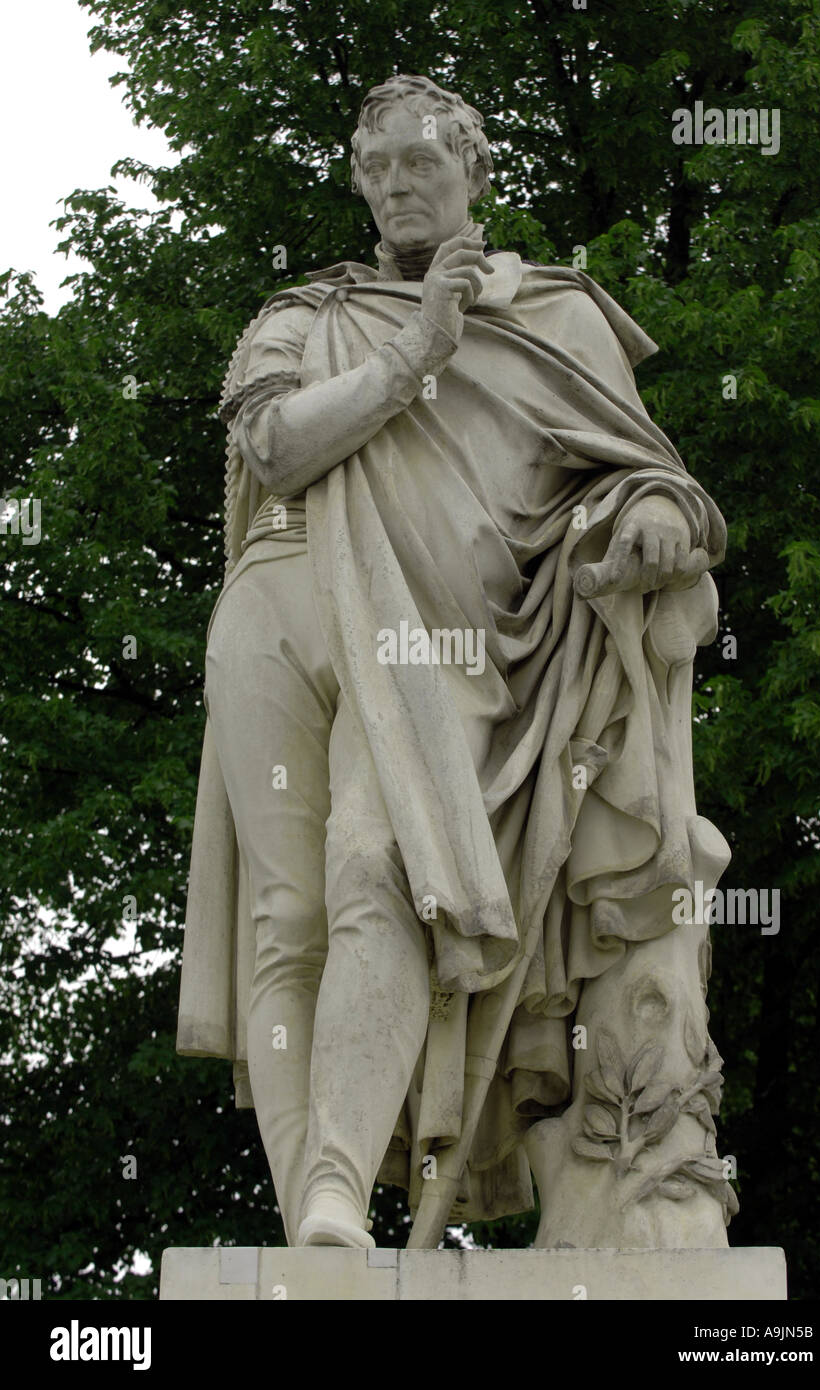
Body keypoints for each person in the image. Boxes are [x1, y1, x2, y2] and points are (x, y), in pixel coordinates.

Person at [177, 74, 732, 1250]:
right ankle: (317, 1216)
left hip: (437, 640)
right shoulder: (306, 310)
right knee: (288, 920)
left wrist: (658, 515)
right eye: (373, 169)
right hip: (280, 600)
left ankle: (336, 1170)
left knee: (379, 865)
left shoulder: (557, 314)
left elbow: (639, 469)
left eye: (416, 163)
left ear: (472, 172)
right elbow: (271, 443)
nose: (392, 186)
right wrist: (414, 347)